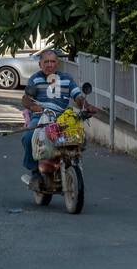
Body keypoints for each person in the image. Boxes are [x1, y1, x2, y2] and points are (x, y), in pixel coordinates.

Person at [20, 48, 95, 185]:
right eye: (46, 62)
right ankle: (35, 172)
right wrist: (32, 106)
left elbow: (77, 96)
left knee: (78, 139)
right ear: (40, 64)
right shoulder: (35, 79)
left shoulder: (67, 79)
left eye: (53, 61)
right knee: (28, 137)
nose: (50, 65)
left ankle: (71, 164)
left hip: (63, 119)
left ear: (57, 63)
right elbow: (25, 99)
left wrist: (86, 106)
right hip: (40, 117)